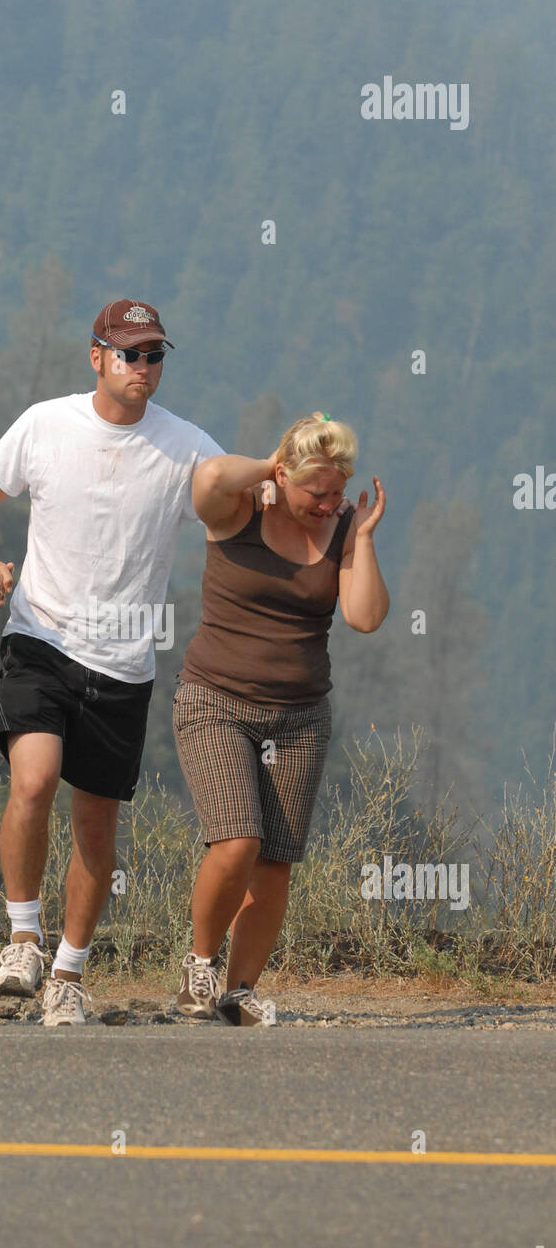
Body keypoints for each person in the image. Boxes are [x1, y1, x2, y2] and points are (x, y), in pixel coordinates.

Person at [0, 299, 223, 1025]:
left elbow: (239, 506)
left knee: (96, 831)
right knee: (34, 778)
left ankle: (69, 971)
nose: (143, 368)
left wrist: (301, 485)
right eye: (129, 353)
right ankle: (22, 940)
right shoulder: (45, 423)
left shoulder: (188, 446)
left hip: (123, 663)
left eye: (155, 355)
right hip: (38, 637)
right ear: (96, 354)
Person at [173, 411, 388, 1024]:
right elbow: (208, 476)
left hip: (299, 716)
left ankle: (239, 988)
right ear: (284, 474)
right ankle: (199, 965)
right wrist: (267, 466)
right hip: (216, 701)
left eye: (337, 493)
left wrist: (363, 536)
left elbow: (365, 617)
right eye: (314, 491)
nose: (327, 504)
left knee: (275, 859)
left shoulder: (344, 526)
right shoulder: (240, 508)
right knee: (237, 838)